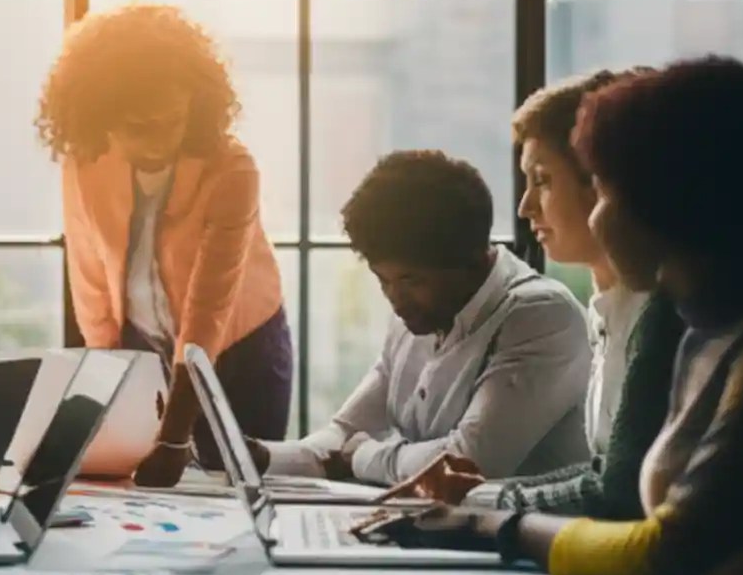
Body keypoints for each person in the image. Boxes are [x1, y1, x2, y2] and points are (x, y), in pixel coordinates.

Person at [384, 58, 743, 575]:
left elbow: (662, 545)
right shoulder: (708, 327)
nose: (596, 208)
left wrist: (485, 523)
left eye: (607, 188)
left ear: (667, 201)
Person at [388, 68, 686, 520]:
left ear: (603, 181)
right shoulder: (608, 308)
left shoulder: (665, 314)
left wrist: (475, 506)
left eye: (542, 180)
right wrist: (469, 496)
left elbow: (618, 494)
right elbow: (605, 470)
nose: (526, 207)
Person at [36, 4, 291, 486]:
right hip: (140, 341)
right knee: (140, 498)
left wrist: (174, 437)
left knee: (233, 489)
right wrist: (109, 389)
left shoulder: (233, 170)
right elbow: (89, 281)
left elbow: (208, 310)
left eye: (171, 120)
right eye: (138, 127)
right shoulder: (86, 161)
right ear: (101, 117)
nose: (158, 141)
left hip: (240, 348)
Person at [249, 150, 591, 486]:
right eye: (382, 279)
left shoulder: (540, 315)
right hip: (441, 529)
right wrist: (259, 457)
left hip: (515, 536)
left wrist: (364, 457)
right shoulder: (416, 319)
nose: (395, 299)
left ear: (471, 260)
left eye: (411, 281)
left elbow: (468, 462)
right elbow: (345, 434)